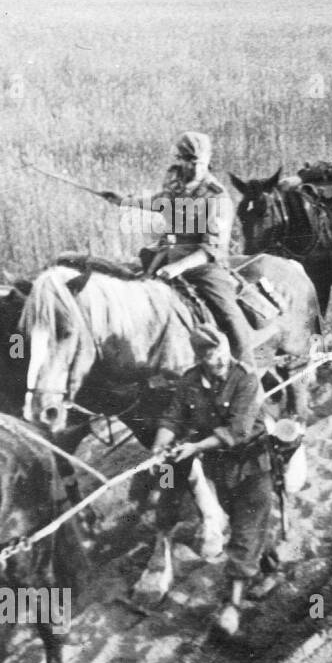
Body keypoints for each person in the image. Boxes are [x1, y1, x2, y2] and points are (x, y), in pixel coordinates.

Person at [152, 323, 280, 635]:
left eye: (222, 353)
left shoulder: (245, 377)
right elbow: (173, 416)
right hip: (219, 469)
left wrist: (194, 446)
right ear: (200, 358)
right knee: (243, 523)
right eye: (211, 357)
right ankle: (271, 569)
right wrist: (159, 444)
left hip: (253, 463)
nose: (220, 361)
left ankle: (232, 606)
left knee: (244, 530)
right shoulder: (190, 382)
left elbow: (237, 431)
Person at [101, 132, 253, 366]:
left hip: (203, 266)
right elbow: (160, 202)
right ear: (180, 159)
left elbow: (211, 249)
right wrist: (124, 200)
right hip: (168, 257)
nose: (193, 166)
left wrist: (177, 268)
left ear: (208, 159)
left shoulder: (216, 197)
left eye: (198, 161)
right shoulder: (177, 184)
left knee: (229, 314)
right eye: (187, 160)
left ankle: (246, 369)